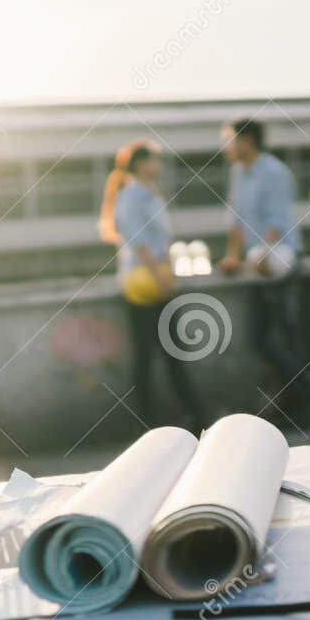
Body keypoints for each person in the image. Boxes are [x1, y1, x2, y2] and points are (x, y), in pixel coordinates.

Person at [218, 118, 310, 426]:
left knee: (286, 335)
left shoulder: (274, 171)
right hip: (257, 265)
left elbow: (278, 220)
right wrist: (231, 257)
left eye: (230, 140)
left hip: (278, 261)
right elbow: (235, 221)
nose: (226, 147)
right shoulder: (238, 173)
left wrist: (263, 254)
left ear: (248, 140)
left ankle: (302, 403)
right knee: (260, 338)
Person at [99, 141, 209, 430]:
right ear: (140, 164)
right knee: (148, 354)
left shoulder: (149, 194)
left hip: (156, 277)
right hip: (144, 281)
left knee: (169, 351)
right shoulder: (132, 195)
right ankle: (150, 422)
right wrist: (160, 275)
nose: (158, 166)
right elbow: (139, 241)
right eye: (154, 161)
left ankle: (195, 417)